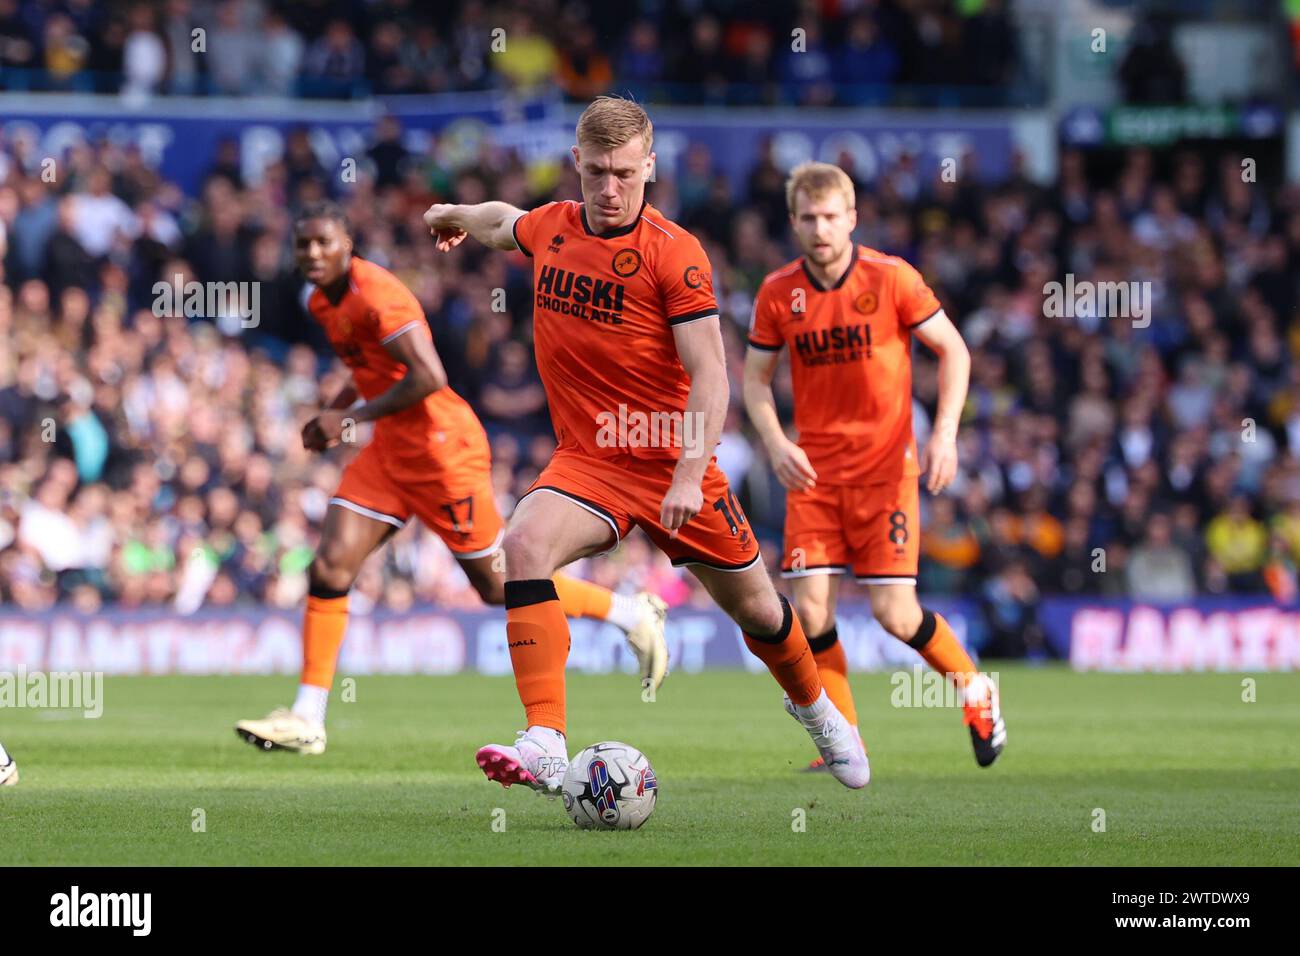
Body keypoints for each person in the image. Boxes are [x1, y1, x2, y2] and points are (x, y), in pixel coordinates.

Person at [423, 96, 870, 793]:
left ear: (650, 167)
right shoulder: (555, 228)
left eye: (625, 174)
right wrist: (455, 215)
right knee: (524, 547)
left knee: (758, 609)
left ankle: (819, 713)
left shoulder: (675, 254)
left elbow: (711, 374)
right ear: (576, 163)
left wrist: (690, 474)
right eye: (597, 171)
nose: (609, 188)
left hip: (671, 460)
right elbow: (502, 222)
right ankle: (544, 738)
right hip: (591, 460)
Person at [235, 202, 667, 756]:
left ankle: (629, 612)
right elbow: (367, 366)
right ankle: (308, 715)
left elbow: (429, 375)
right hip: (392, 451)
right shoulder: (324, 301)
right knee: (331, 563)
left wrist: (346, 420)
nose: (313, 254)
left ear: (349, 243)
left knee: (498, 585)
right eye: (303, 245)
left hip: (443, 450)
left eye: (324, 242)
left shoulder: (379, 294)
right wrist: (337, 407)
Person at [743, 162, 1005, 768]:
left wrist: (944, 435)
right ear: (793, 222)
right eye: (808, 218)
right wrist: (778, 443)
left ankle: (977, 691)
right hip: (813, 476)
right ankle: (846, 737)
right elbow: (756, 381)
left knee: (894, 614)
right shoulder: (779, 292)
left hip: (887, 474)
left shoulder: (892, 279)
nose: (820, 229)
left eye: (831, 216)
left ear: (852, 218)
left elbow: (955, 351)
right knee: (808, 613)